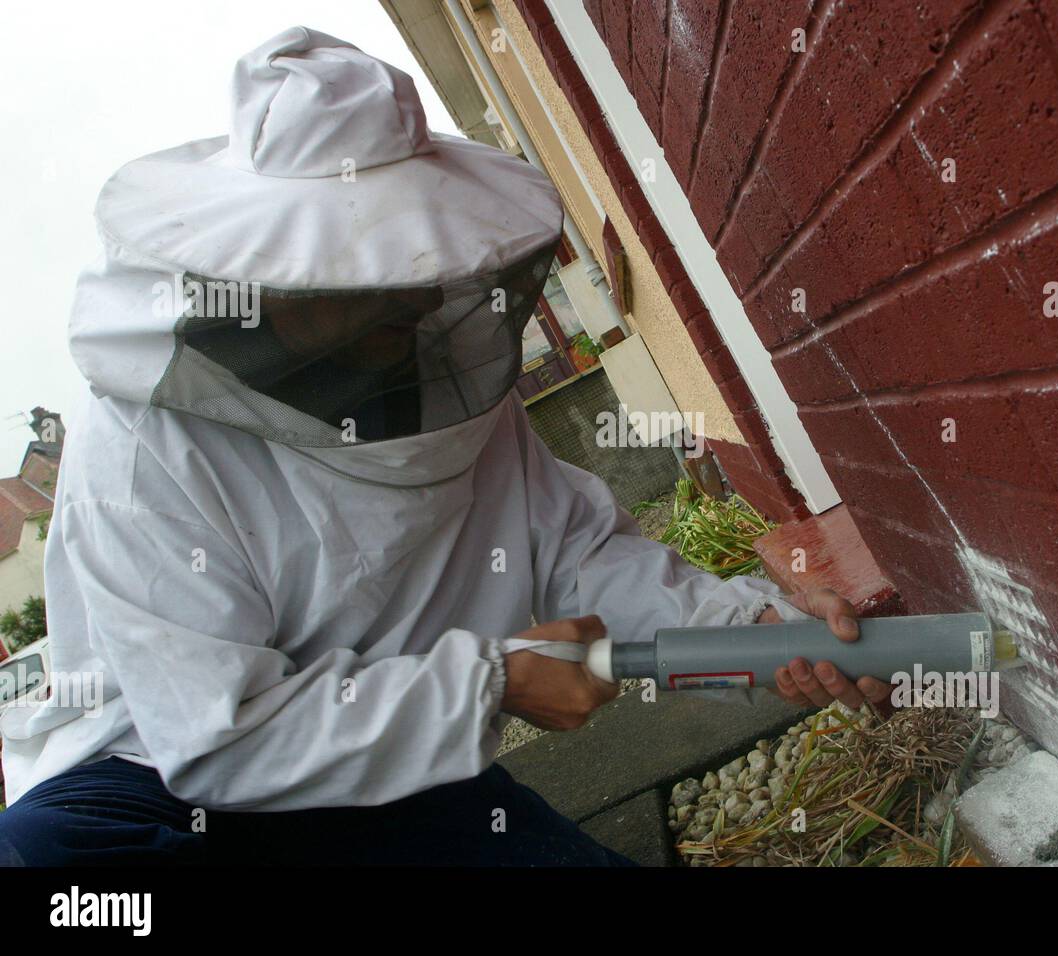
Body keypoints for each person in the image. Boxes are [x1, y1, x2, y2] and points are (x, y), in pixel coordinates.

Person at [0, 27, 890, 866]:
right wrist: (489, 684)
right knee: (53, 861)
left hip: (386, 767)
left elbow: (575, 557)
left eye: (423, 264)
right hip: (155, 788)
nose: (422, 303)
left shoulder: (443, 388)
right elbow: (219, 738)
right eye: (375, 272)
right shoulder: (140, 449)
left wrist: (752, 628)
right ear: (270, 278)